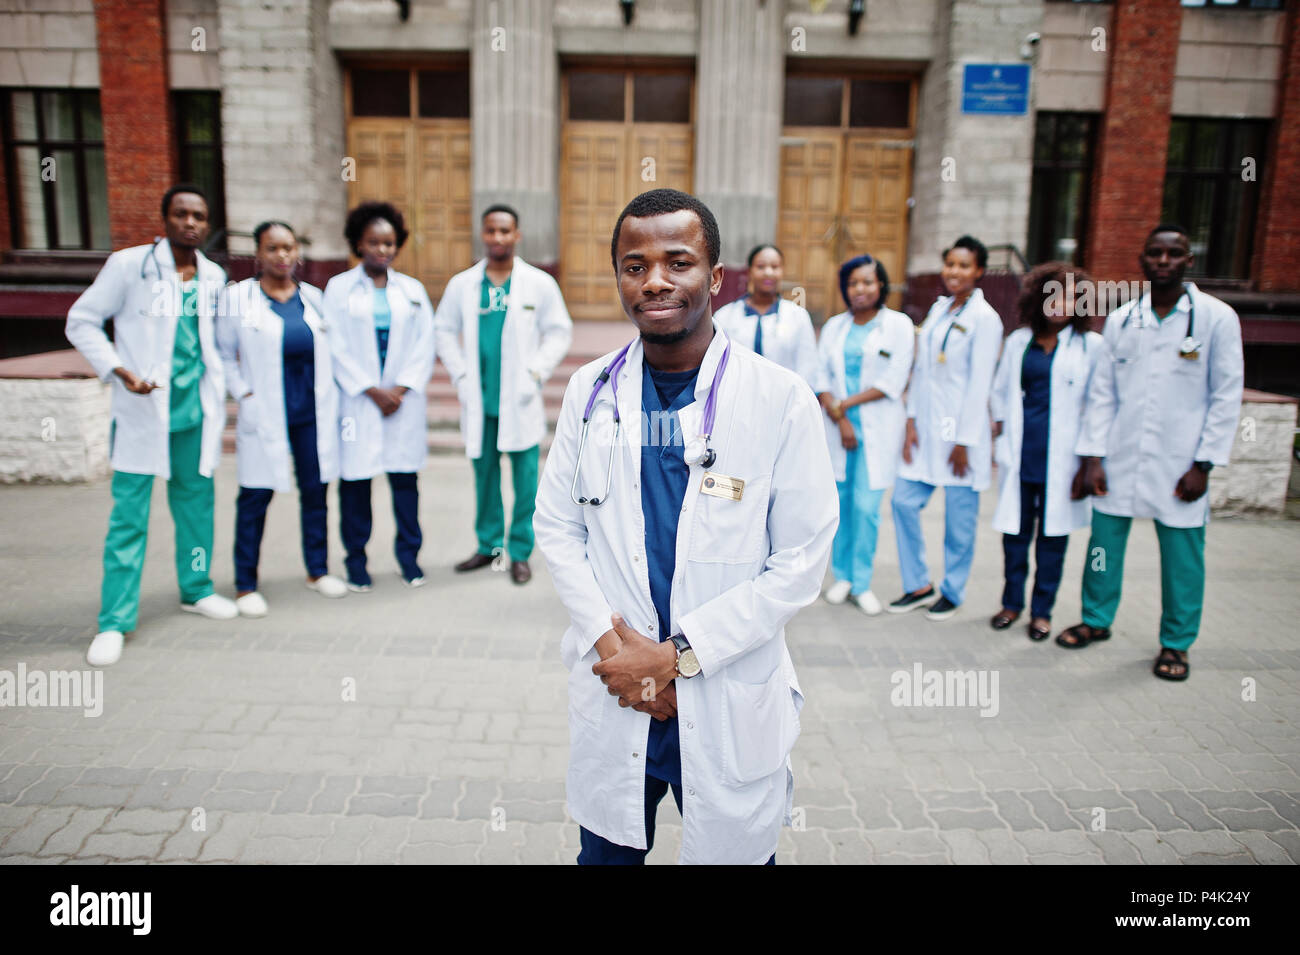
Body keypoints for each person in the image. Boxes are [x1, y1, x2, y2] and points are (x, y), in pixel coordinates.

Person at [534, 188, 838, 865]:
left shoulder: (779, 399)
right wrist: (622, 653)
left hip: (725, 688)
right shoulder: (590, 392)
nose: (656, 281)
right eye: (634, 265)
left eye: (678, 261)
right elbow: (557, 527)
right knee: (606, 856)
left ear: (716, 277)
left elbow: (799, 563)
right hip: (621, 688)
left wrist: (674, 658)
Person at [1057, 224, 1244, 681]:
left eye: (1174, 254)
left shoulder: (1217, 318)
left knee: (1182, 556)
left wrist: (1203, 465)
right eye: (1155, 254)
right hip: (1119, 457)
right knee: (1103, 545)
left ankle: (1176, 643)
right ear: (1141, 261)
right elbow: (1103, 394)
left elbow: (1226, 396)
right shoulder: (1123, 319)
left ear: (1189, 261)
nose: (1164, 261)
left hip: (1181, 462)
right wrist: (1093, 457)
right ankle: (1096, 619)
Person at [66, 183, 237, 667]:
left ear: (207, 224)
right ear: (164, 219)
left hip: (193, 414)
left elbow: (213, 343)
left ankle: (197, 588)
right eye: (181, 214)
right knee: (128, 520)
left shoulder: (213, 276)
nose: (190, 223)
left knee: (197, 509)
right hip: (142, 413)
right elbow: (81, 320)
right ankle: (114, 621)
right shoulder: (129, 266)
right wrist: (118, 371)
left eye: (199, 216)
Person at [434, 204, 572, 585]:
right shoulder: (463, 284)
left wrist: (535, 371)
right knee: (485, 479)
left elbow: (559, 331)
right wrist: (460, 373)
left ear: (517, 235)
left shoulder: (538, 283)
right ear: (483, 234)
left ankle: (520, 551)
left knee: (526, 482)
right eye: (491, 231)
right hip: (480, 399)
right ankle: (489, 546)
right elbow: (442, 329)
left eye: (505, 231)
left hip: (520, 399)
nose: (497, 237)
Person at [215, 221, 347, 616]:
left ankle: (318, 570)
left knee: (316, 492)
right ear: (258, 252)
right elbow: (222, 354)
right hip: (266, 413)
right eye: (273, 248)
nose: (282, 256)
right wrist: (245, 393)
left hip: (311, 413)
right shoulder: (237, 299)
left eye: (289, 248)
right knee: (255, 496)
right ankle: (245, 584)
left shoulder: (314, 298)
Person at [324, 201, 436, 590]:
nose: (382, 250)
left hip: (401, 404)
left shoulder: (413, 291)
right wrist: (371, 390)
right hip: (359, 402)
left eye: (389, 243)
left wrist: (399, 390)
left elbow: (425, 343)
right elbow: (333, 346)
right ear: (358, 243)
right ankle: (356, 561)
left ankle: (409, 558)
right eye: (373, 242)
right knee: (356, 485)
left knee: (405, 484)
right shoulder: (338, 289)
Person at [889, 235, 1002, 621]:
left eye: (964, 265)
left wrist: (965, 442)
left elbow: (980, 384)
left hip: (960, 440)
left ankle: (952, 591)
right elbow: (921, 372)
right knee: (903, 502)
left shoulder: (986, 320)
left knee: (959, 524)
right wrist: (910, 422)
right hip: (925, 430)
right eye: (950, 264)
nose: (955, 272)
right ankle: (918, 583)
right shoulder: (939, 310)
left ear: (979, 271)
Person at [988, 263, 1103, 641]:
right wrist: (1000, 434)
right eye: (1053, 293)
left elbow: (1097, 406)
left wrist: (1089, 462)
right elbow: (1001, 393)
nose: (1061, 303)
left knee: (1053, 540)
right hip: (1021, 458)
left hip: (1064, 462)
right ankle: (1011, 603)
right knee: (1015, 538)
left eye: (1071, 296)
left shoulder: (1090, 347)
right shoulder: (1019, 341)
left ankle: (1041, 612)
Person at [815, 254, 915, 616]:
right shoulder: (834, 328)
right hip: (839, 431)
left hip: (877, 430)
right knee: (839, 506)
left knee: (867, 508)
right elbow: (820, 376)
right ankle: (841, 576)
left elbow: (892, 381)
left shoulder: (899, 326)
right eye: (854, 282)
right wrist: (839, 417)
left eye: (868, 282)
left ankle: (862, 582)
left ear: (881, 285)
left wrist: (845, 406)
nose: (861, 289)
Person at [712, 244, 818, 388]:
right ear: (749, 271)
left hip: (785, 399)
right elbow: (717, 363)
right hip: (736, 396)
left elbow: (807, 366)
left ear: (782, 271)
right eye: (761, 267)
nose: (768, 272)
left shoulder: (798, 316)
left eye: (775, 267)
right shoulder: (725, 316)